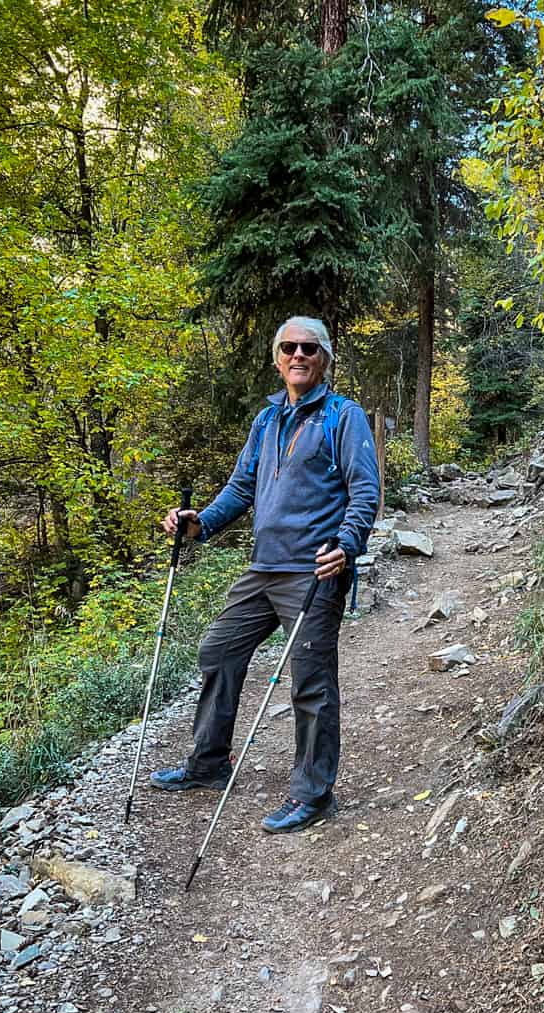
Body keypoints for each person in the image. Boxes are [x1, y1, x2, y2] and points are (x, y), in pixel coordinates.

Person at [150, 316, 380, 833]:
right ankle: (208, 763)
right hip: (263, 568)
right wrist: (199, 523)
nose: (298, 356)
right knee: (219, 650)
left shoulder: (344, 417)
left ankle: (313, 794)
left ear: (324, 359)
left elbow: (365, 492)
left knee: (310, 682)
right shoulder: (267, 418)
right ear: (277, 358)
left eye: (309, 348)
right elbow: (241, 487)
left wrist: (346, 546)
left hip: (314, 570)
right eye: (288, 348)